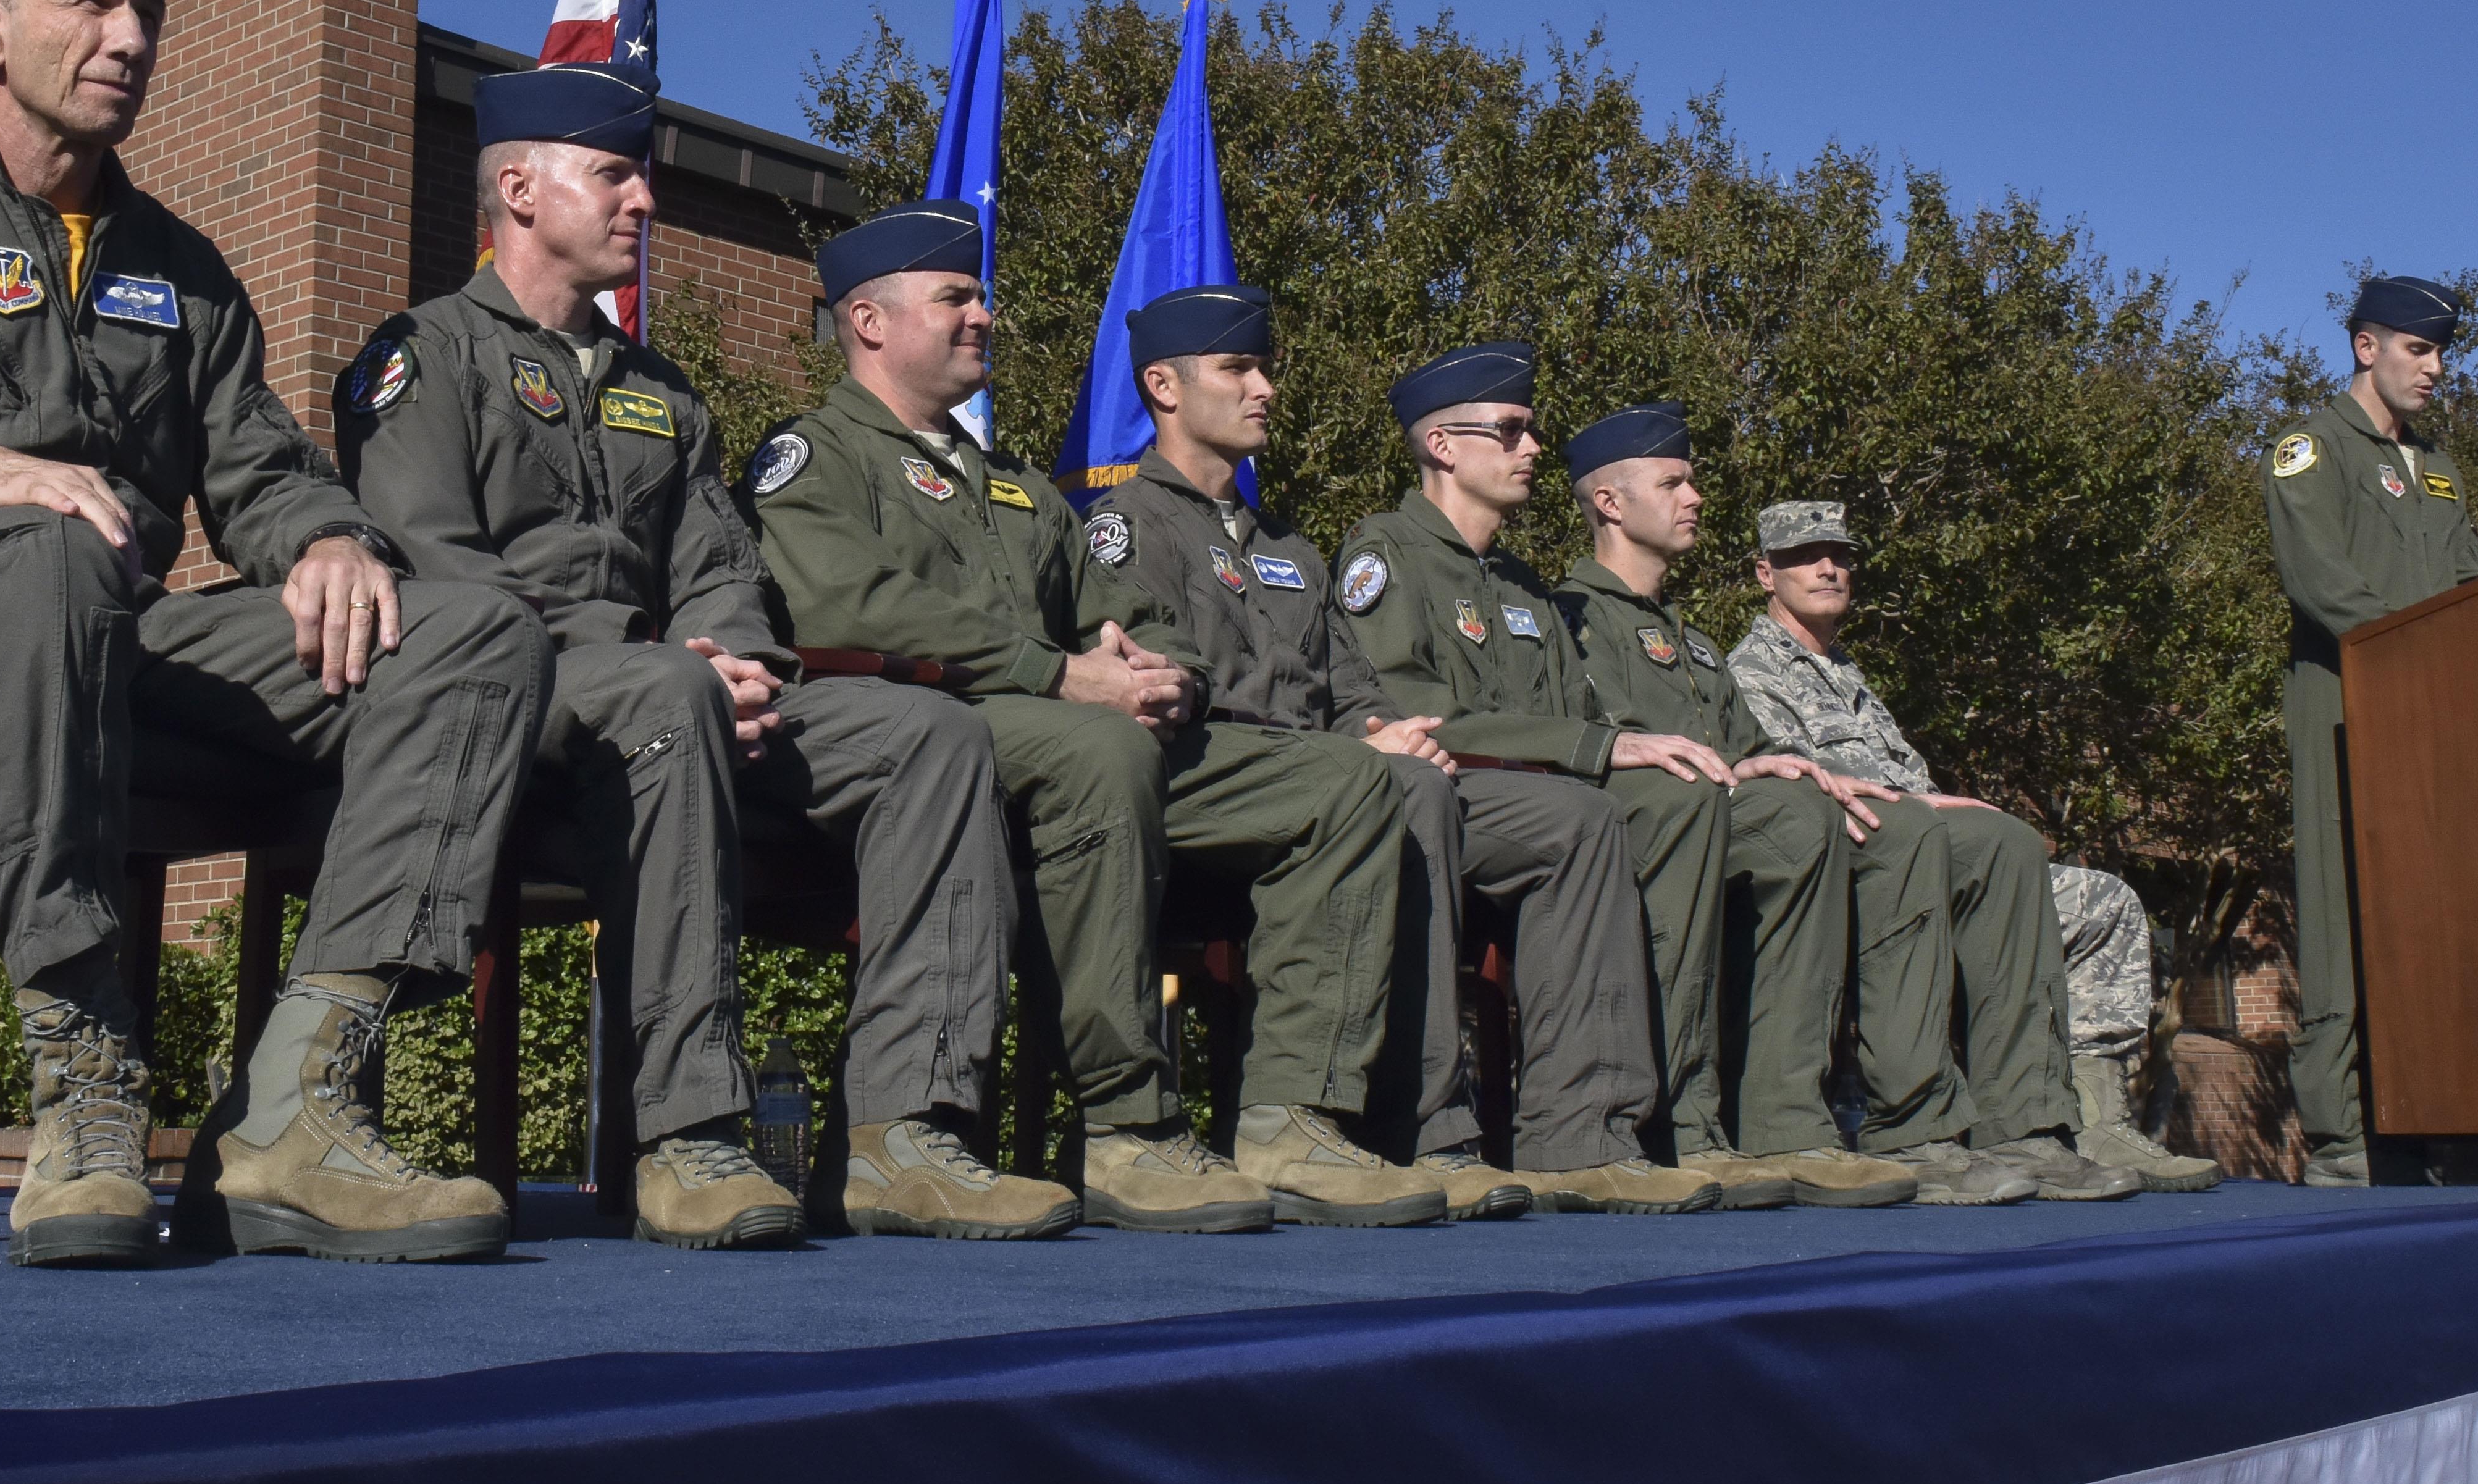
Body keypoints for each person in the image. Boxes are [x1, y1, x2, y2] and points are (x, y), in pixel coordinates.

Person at [0, 0, 550, 1267]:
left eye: (147, 11)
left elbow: (263, 473)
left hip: (114, 628)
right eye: (92, 1)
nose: (129, 39)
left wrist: (330, 539)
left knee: (471, 630)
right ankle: (86, 1077)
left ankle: (293, 1102)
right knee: (47, 552)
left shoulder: (184, 269)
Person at [335, 64, 1070, 1246]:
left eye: (643, 177)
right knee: (669, 688)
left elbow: (721, 561)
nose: (645, 203)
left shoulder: (662, 396)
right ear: (518, 189)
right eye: (615, 174)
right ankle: (684, 1136)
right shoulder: (425, 353)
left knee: (932, 734)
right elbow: (438, 568)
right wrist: (658, 657)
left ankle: (903, 1132)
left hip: (677, 688)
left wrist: (728, 649)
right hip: (517, 701)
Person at [749, 203, 1443, 1230]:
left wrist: (1162, 670)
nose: (984, 314)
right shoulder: (815, 456)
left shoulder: (1021, 489)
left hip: (1070, 724)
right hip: (914, 729)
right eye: (956, 297)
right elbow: (846, 603)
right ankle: (1126, 1127)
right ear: (867, 322)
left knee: (1343, 782)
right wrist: (1056, 672)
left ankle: (1292, 1118)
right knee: (1096, 746)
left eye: (979, 295)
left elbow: (1137, 617)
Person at [1084, 288, 1679, 1217]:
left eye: (1264, 367)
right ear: (1162, 386)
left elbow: (1352, 684)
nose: (1266, 388)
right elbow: (1159, 676)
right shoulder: (1126, 523)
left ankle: (1579, 1135)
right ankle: (1413, 1123)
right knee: (1393, 788)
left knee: (1561, 813)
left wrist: (1375, 729)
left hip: (1317, 783)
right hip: (1195, 776)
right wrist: (1362, 751)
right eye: (1238, 369)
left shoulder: (1290, 546)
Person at [1331, 351, 1815, 1210]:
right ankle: (1543, 1131)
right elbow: (1409, 709)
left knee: (1628, 807)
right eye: (1511, 431)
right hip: (1442, 786)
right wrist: (1597, 749)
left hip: (1536, 798)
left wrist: (1732, 761)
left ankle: (1618, 1128)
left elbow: (1574, 716)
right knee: (1583, 816)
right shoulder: (1384, 550)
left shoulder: (1522, 585)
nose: (1532, 447)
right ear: (1442, 445)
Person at [1552, 410, 1969, 1207]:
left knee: (1863, 817)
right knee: (1765, 815)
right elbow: (1587, 741)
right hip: (1632, 831)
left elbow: (1748, 749)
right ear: (1608, 502)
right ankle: (1685, 1120)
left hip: (1719, 823)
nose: (1696, 496)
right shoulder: (1569, 618)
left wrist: (1792, 766)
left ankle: (1797, 1120)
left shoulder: (1696, 643)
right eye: (1674, 482)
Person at [1728, 501, 2170, 1198]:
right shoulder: (1750, 669)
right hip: (1848, 861)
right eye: (1803, 555)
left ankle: (2035, 1122)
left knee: (2033, 857)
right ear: (1765, 572)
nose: (1827, 567)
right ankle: (1913, 1127)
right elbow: (1802, 787)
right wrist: (1918, 804)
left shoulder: (1847, 675)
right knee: (1938, 837)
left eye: (1840, 555)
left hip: (1917, 847)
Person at [2260, 274, 2478, 1185]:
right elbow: (2319, 583)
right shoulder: (2309, 447)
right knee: (2341, 908)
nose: (2435, 369)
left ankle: (2439, 1109)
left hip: (2438, 712)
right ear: (2367, 347)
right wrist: (2417, 651)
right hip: (2344, 703)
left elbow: (2474, 582)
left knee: (2436, 914)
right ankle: (2344, 1135)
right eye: (2419, 349)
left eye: (2440, 353)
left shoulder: (2437, 468)